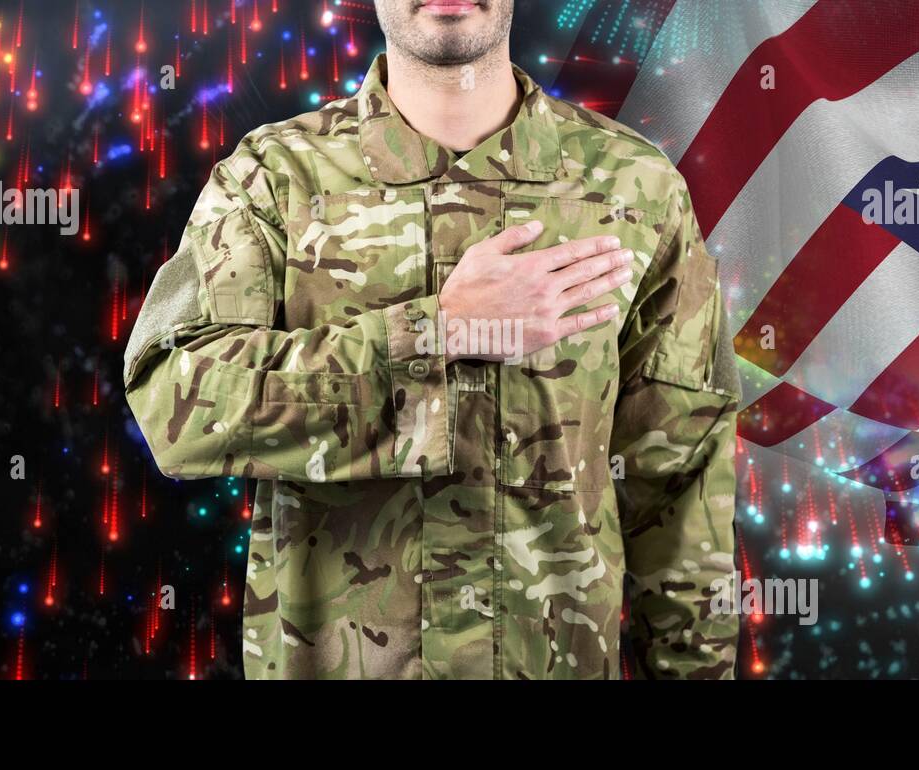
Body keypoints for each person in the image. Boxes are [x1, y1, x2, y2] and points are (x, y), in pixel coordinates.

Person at [123, 0, 740, 679]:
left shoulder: (638, 190)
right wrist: (437, 333)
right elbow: (171, 400)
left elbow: (681, 481)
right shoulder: (272, 181)